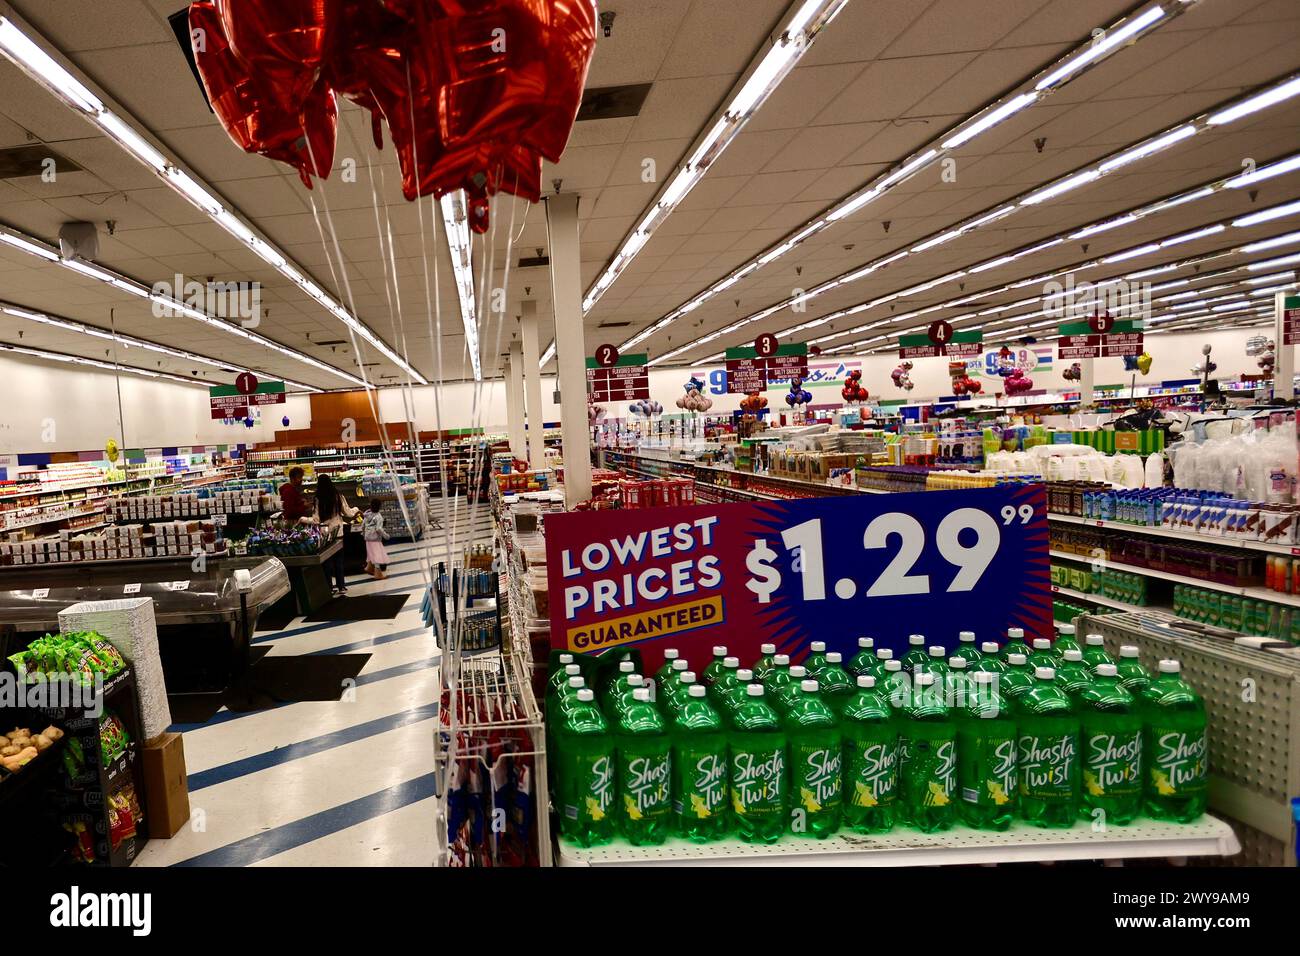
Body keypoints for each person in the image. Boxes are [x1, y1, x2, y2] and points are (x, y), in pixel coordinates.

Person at [311, 474, 359, 596]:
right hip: (338, 531)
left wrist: (304, 520)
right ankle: (341, 586)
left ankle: (329, 587)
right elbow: (348, 513)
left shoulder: (317, 498)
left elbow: (315, 519)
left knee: (327, 561)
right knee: (339, 560)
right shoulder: (338, 496)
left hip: (325, 533)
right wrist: (356, 509)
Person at [363, 498, 391, 579]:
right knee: (377, 555)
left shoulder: (367, 515)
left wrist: (364, 533)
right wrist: (386, 535)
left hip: (367, 537)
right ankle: (378, 574)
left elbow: (363, 525)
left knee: (371, 553)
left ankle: (369, 568)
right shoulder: (378, 517)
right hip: (375, 539)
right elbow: (378, 528)